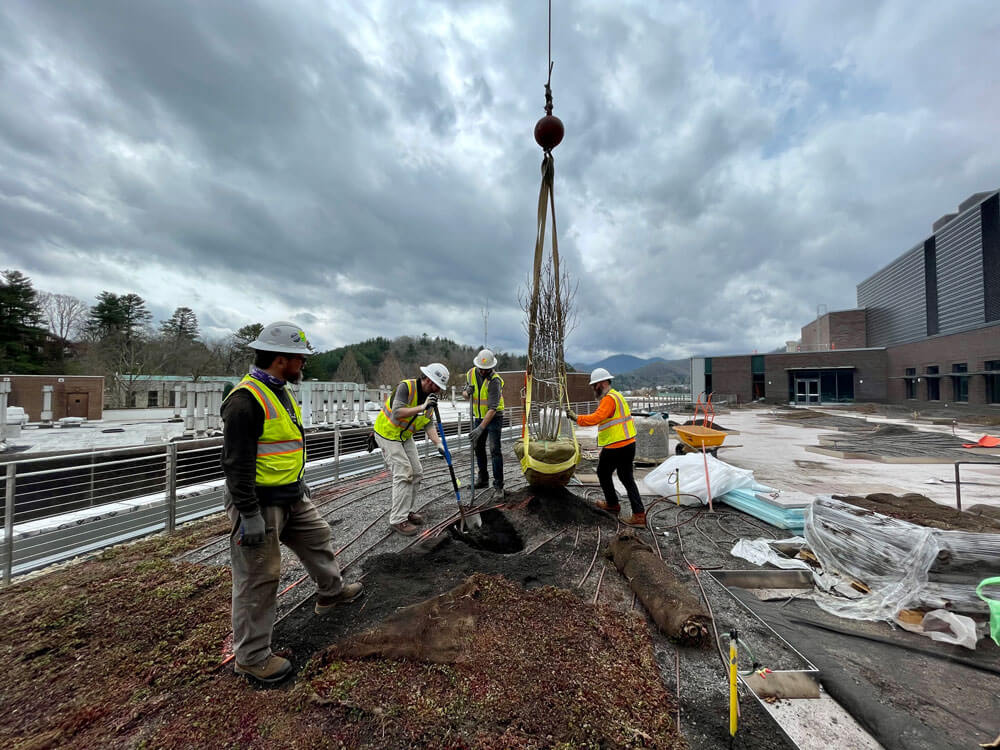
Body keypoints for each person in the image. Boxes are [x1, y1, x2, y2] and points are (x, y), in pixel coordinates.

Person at [220, 321, 364, 685]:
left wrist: (299, 483)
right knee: (259, 577)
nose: (304, 365)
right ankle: (251, 657)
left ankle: (331, 593)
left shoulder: (280, 391)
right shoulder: (244, 401)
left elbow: (283, 446)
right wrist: (249, 515)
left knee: (318, 537)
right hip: (259, 504)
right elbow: (236, 465)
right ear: (281, 359)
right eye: (300, 359)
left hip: (290, 495)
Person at [373, 362, 450, 536]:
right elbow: (397, 413)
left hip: (404, 436)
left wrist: (438, 443)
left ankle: (406, 511)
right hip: (387, 434)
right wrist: (422, 407)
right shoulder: (406, 387)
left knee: (417, 472)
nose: (439, 390)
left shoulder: (430, 398)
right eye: (438, 387)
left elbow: (428, 423)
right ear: (430, 381)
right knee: (403, 472)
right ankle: (397, 520)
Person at [566, 367, 645, 526]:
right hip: (627, 444)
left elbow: (597, 417)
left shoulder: (609, 399)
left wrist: (577, 418)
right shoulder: (617, 396)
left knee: (603, 472)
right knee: (626, 478)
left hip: (617, 446)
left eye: (594, 385)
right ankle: (638, 514)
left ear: (602, 383)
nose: (593, 389)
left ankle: (614, 505)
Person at [464, 348, 505, 493]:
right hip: (479, 417)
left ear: (491, 367)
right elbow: (465, 394)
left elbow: (493, 408)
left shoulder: (495, 381)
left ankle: (498, 485)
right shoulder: (470, 374)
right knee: (478, 447)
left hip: (494, 418)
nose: (482, 372)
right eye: (481, 369)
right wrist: (467, 392)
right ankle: (483, 479)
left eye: (486, 369)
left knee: (495, 450)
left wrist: (480, 428)